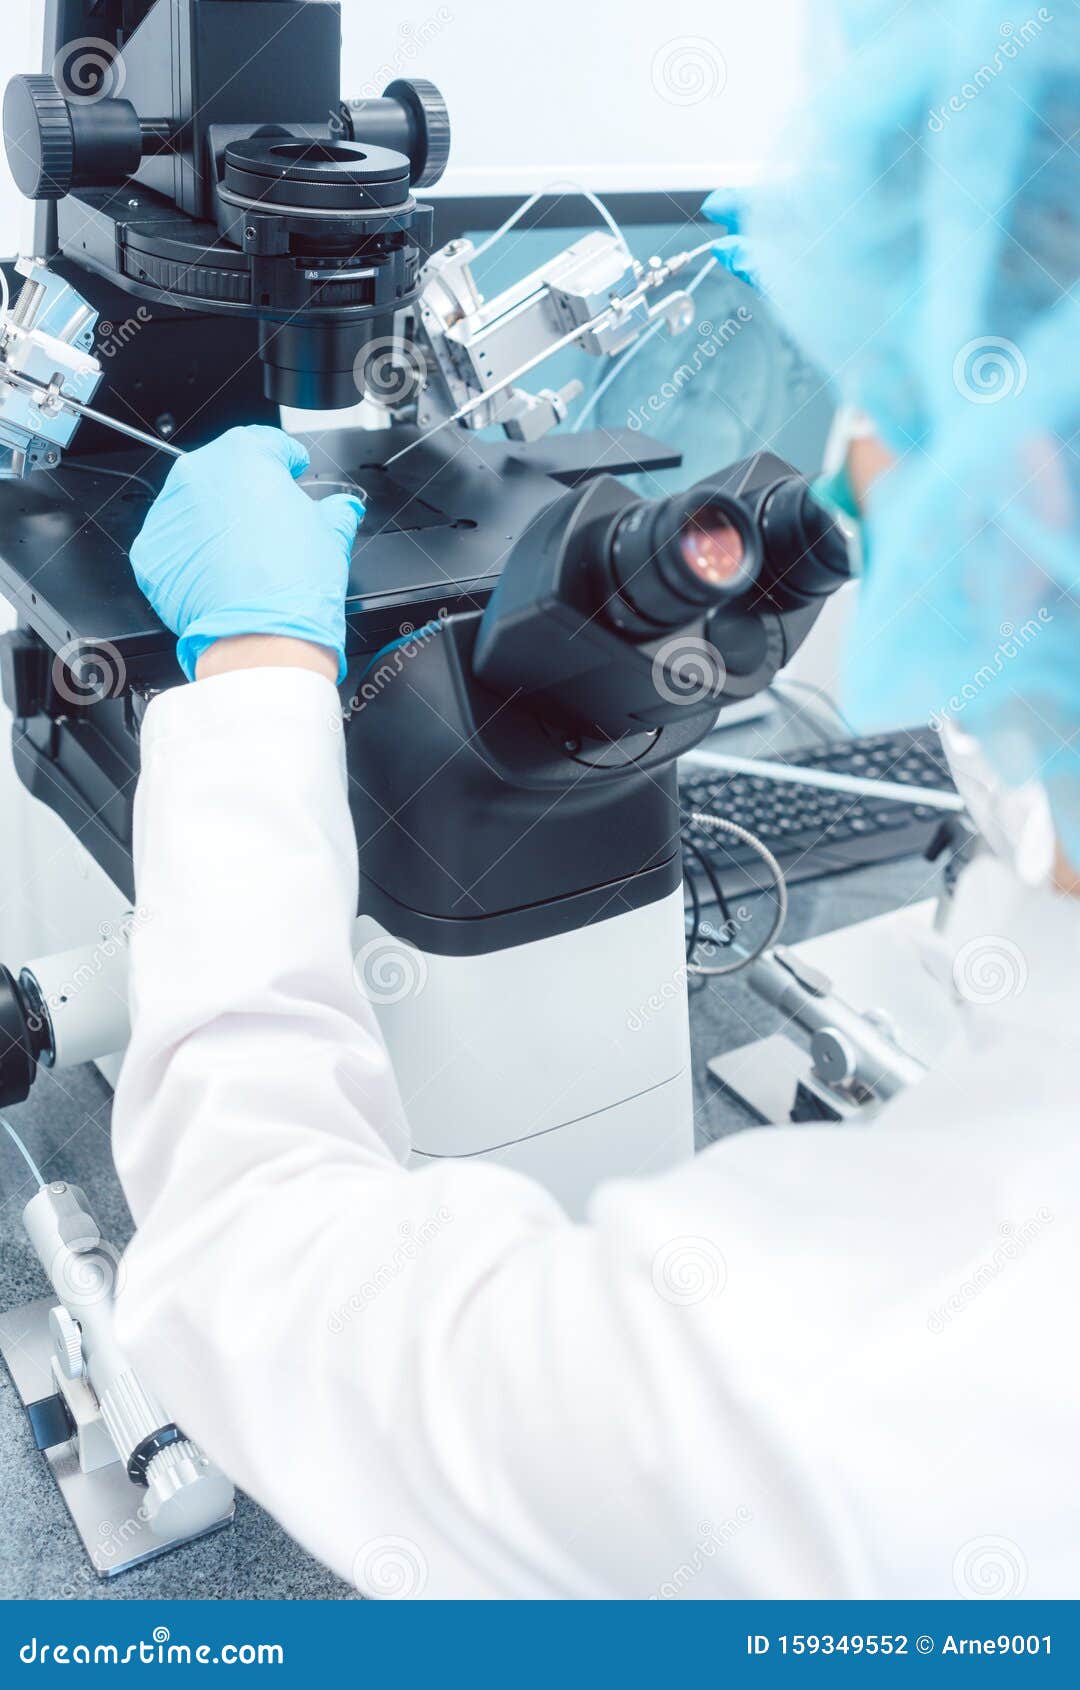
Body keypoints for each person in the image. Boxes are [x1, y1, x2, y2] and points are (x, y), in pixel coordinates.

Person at [112, 1, 1078, 1598]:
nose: (853, 475)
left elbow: (256, 1264)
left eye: (905, 408)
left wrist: (265, 679)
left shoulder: (860, 1379)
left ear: (1033, 479)